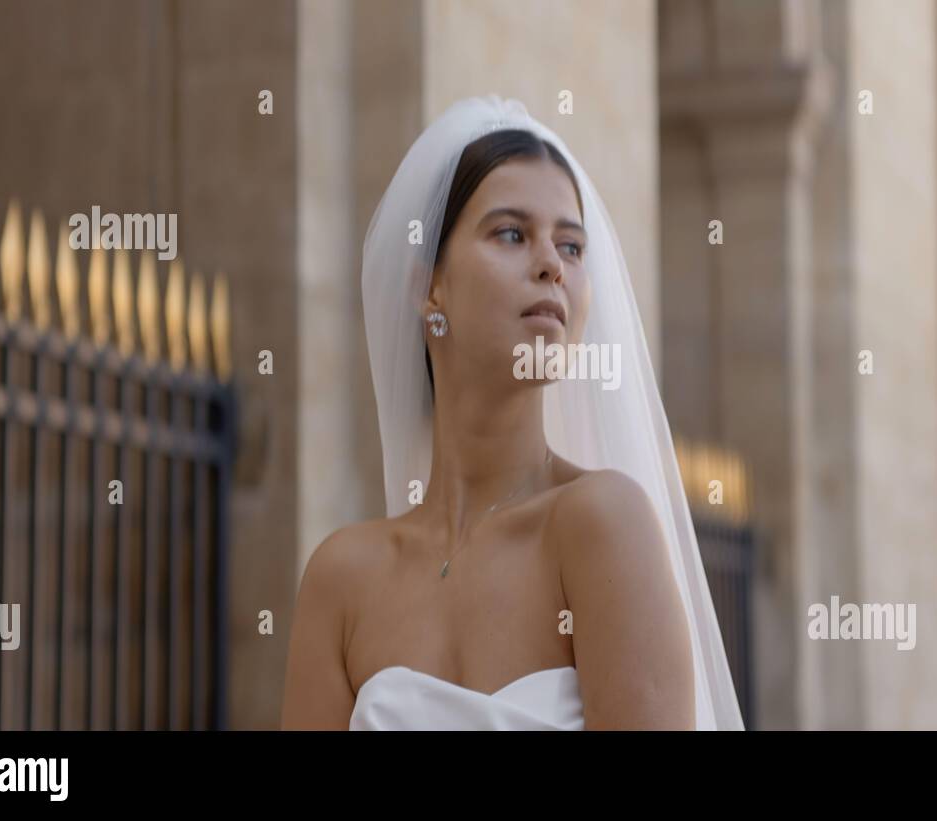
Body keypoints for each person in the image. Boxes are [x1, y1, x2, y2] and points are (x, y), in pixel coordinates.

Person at [281, 95, 743, 730]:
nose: (552, 264)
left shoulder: (601, 523)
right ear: (428, 288)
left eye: (573, 247)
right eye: (511, 233)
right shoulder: (341, 579)